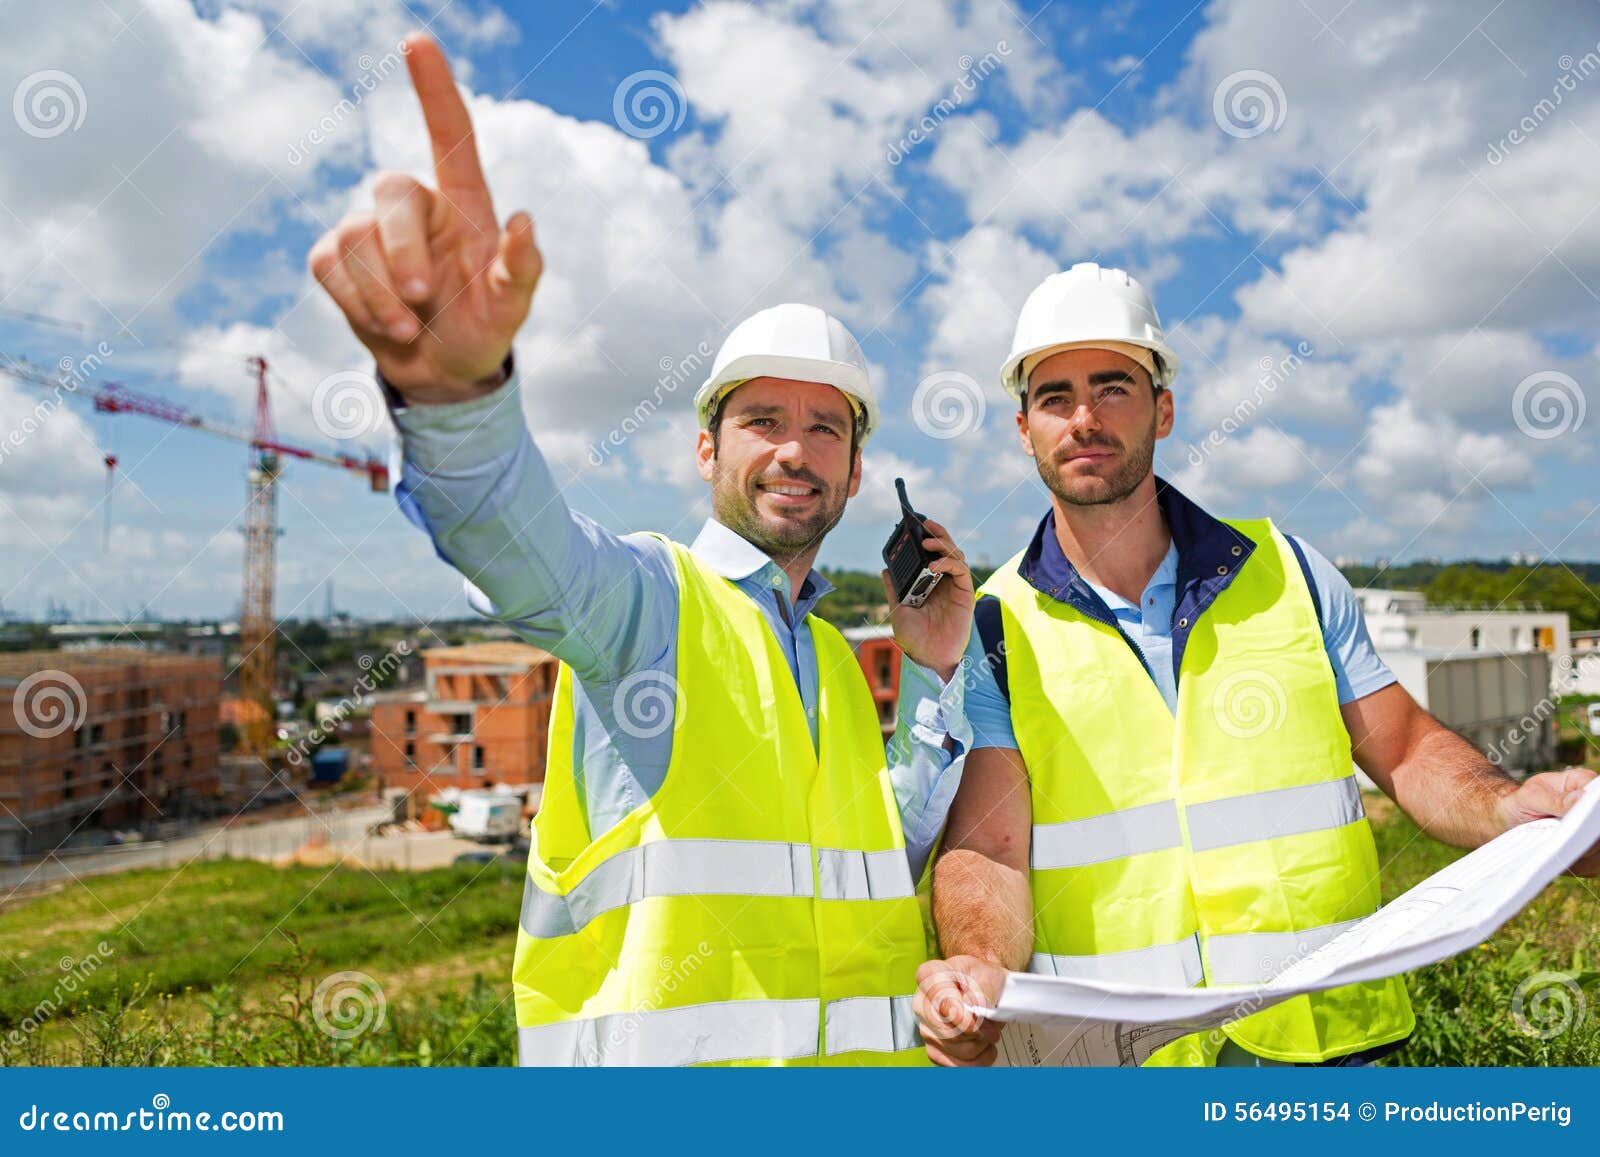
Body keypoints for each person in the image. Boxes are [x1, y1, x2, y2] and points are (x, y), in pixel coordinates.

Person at [308, 33, 976, 1067]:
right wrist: (454, 400)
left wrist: (931, 669)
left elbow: (869, 858)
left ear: (854, 473)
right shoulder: (646, 603)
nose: (795, 449)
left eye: (827, 427)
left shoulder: (842, 673)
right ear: (707, 446)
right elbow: (515, 544)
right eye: (763, 419)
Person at [913, 262, 1600, 1067]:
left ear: (1163, 410)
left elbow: (1407, 750)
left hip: (1324, 1047)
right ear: (1023, 427)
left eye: (1113, 388)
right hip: (1126, 1065)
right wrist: (979, 965)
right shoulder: (994, 626)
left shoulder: (1288, 570)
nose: (1084, 418)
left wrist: (1512, 808)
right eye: (1054, 397)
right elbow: (993, 846)